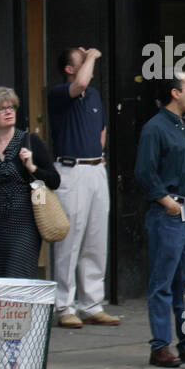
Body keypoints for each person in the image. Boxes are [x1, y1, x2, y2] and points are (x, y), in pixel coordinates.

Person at [134, 72, 185, 368]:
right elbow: (144, 172)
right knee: (162, 282)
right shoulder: (155, 129)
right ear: (174, 93)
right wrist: (166, 202)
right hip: (169, 213)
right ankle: (160, 346)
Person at [48, 47, 119, 327]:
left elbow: (102, 129)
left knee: (95, 238)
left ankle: (91, 303)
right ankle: (65, 305)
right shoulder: (60, 92)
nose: (86, 54)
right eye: (79, 56)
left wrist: (97, 154)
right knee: (70, 239)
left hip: (95, 168)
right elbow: (80, 84)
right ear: (69, 68)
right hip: (70, 169)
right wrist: (92, 56)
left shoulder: (95, 95)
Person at [0, 88, 60, 278]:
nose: (9, 111)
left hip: (24, 223)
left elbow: (55, 181)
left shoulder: (29, 141)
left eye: (12, 107)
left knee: (17, 278)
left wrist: (32, 168)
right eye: (2, 108)